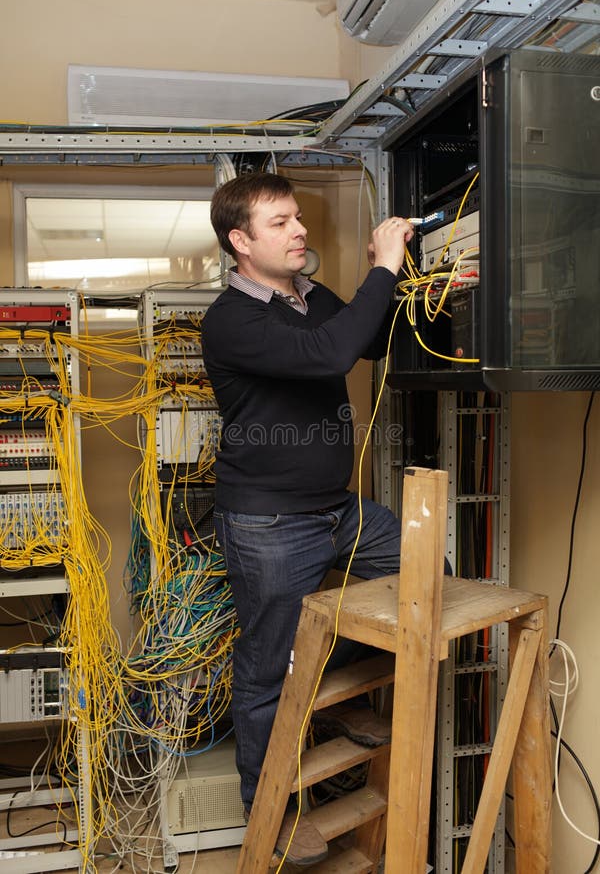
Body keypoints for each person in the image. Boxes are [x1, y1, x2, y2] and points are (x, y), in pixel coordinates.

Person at [201, 172, 413, 867]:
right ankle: (274, 812)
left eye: (298, 218)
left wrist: (415, 280)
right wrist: (381, 266)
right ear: (240, 240)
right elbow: (330, 353)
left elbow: (368, 343)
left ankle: (322, 689)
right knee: (265, 671)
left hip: (336, 511)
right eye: (281, 223)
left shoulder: (307, 294)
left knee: (418, 569)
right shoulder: (233, 319)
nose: (299, 231)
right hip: (268, 524)